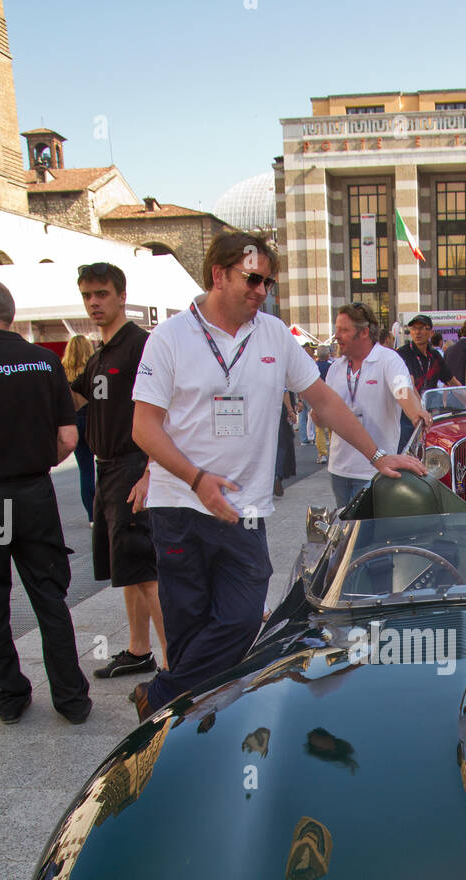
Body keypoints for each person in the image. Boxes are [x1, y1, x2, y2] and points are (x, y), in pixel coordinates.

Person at [131, 236, 426, 720]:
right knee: (187, 624)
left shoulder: (272, 335)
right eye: (253, 278)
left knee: (242, 617)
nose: (262, 290)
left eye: (268, 282)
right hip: (179, 504)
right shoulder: (170, 337)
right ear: (218, 274)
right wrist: (197, 479)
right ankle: (191, 724)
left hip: (243, 507)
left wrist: (377, 455)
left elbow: (323, 400)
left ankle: (162, 697)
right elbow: (144, 427)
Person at [0, 279, 90, 724]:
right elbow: (68, 438)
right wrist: (37, 461)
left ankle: (9, 693)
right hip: (35, 493)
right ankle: (71, 698)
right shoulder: (45, 361)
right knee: (48, 595)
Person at [70, 262, 166, 681]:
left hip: (134, 466)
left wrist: (150, 470)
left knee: (146, 570)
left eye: (102, 294)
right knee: (128, 568)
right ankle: (139, 650)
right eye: (87, 295)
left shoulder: (141, 345)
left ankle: (174, 666)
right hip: (107, 470)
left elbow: (165, 409)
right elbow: (72, 399)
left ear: (122, 296)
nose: (94, 302)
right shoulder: (100, 354)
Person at [325, 301, 430, 508]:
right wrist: (318, 416)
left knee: (370, 528)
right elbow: (325, 412)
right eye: (337, 329)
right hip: (339, 469)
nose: (336, 336)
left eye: (344, 330)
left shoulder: (388, 359)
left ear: (364, 332)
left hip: (375, 471)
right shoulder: (336, 368)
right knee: (345, 526)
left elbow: (402, 389)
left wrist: (414, 411)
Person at [395, 313, 461, 450]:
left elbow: (453, 382)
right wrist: (422, 410)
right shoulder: (403, 354)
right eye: (414, 328)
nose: (417, 332)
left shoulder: (435, 356)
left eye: (421, 328)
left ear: (431, 332)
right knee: (406, 452)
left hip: (429, 415)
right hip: (407, 416)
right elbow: (410, 386)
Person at [62, 333, 96, 522]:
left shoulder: (63, 371)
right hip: (94, 420)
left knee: (86, 470)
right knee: (105, 466)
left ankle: (92, 516)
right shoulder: (94, 368)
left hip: (74, 421)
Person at [313, 344, 333, 463]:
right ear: (327, 355)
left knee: (319, 428)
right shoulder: (332, 367)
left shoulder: (313, 367)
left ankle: (322, 454)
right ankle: (333, 452)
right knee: (333, 428)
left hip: (317, 399)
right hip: (330, 398)